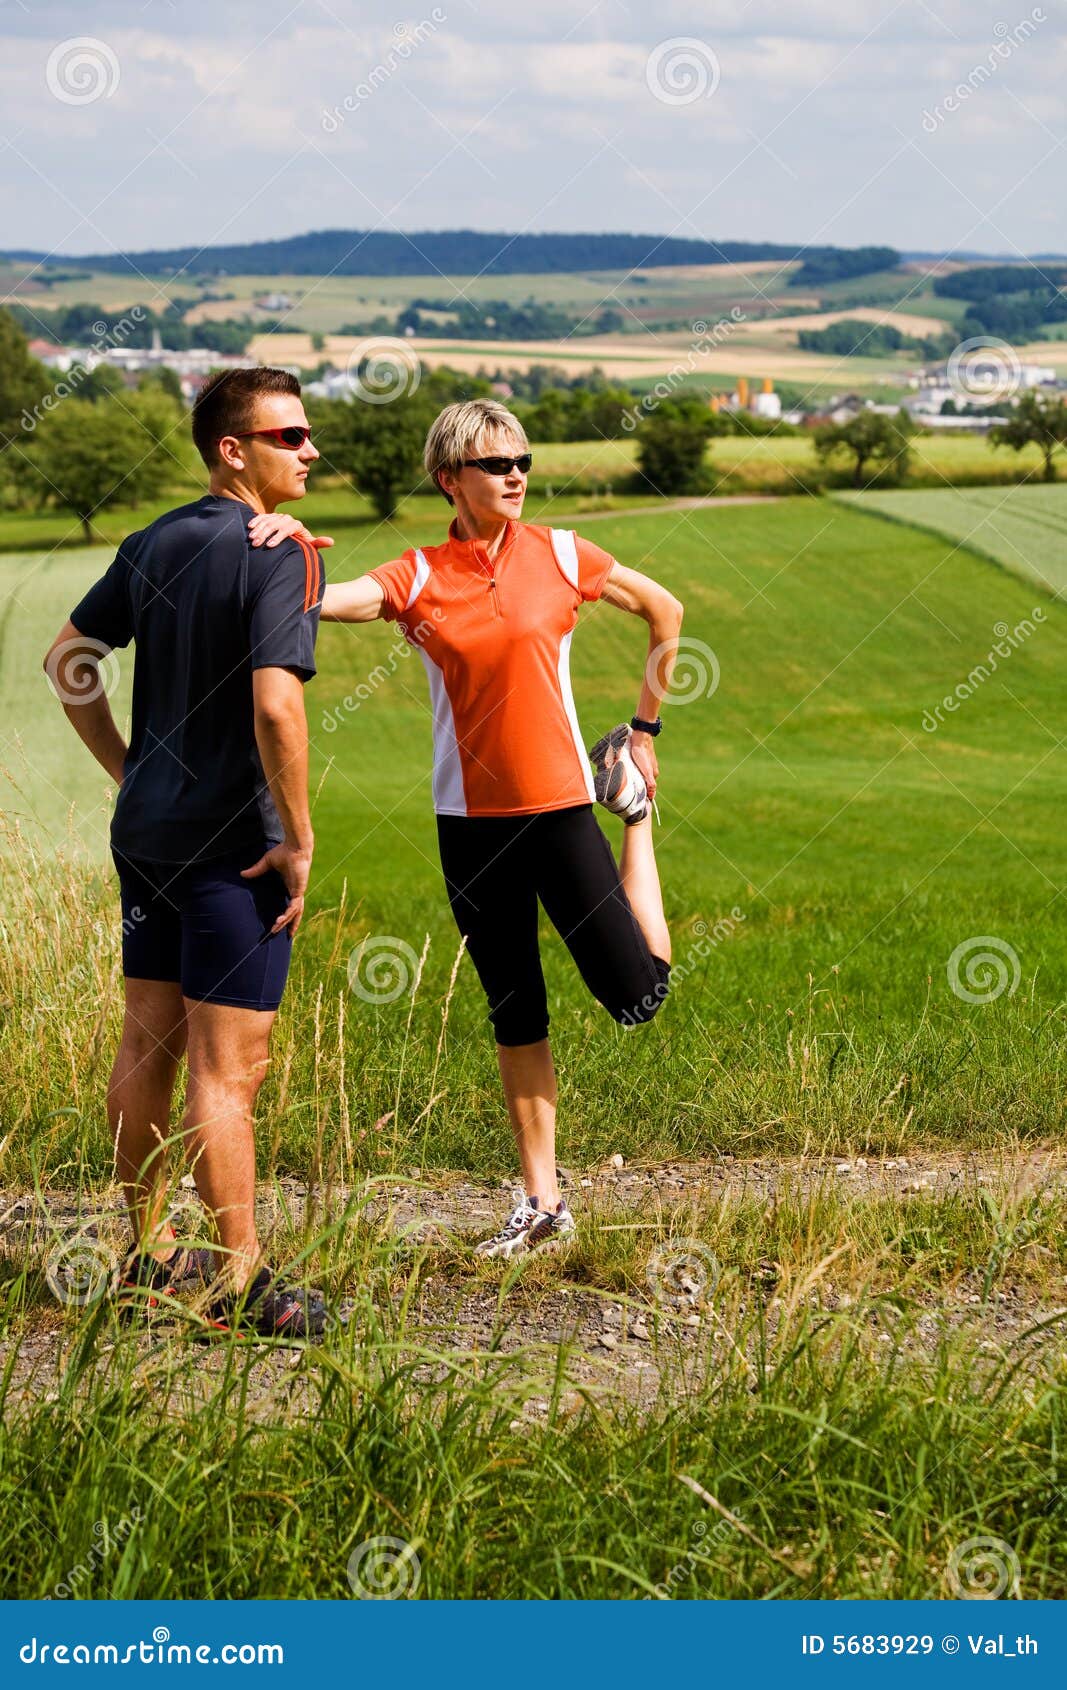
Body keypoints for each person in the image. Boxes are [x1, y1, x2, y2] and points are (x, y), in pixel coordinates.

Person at [267, 397, 683, 1257]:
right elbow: (337, 598)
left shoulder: (565, 554)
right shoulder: (420, 575)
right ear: (450, 478)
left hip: (565, 811)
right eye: (496, 465)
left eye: (523, 461)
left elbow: (664, 612)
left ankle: (636, 818)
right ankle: (542, 1204)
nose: (517, 475)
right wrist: (290, 549)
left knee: (636, 998)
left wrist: (642, 734)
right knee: (514, 1009)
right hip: (469, 827)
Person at [42, 366, 328, 1336]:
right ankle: (241, 1280)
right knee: (227, 1066)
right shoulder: (278, 555)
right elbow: (276, 705)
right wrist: (296, 835)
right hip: (232, 846)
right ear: (230, 449)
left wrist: (128, 770)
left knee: (145, 1038)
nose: (309, 450)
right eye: (287, 435)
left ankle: (148, 1255)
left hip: (147, 835)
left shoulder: (156, 539)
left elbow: (67, 658)